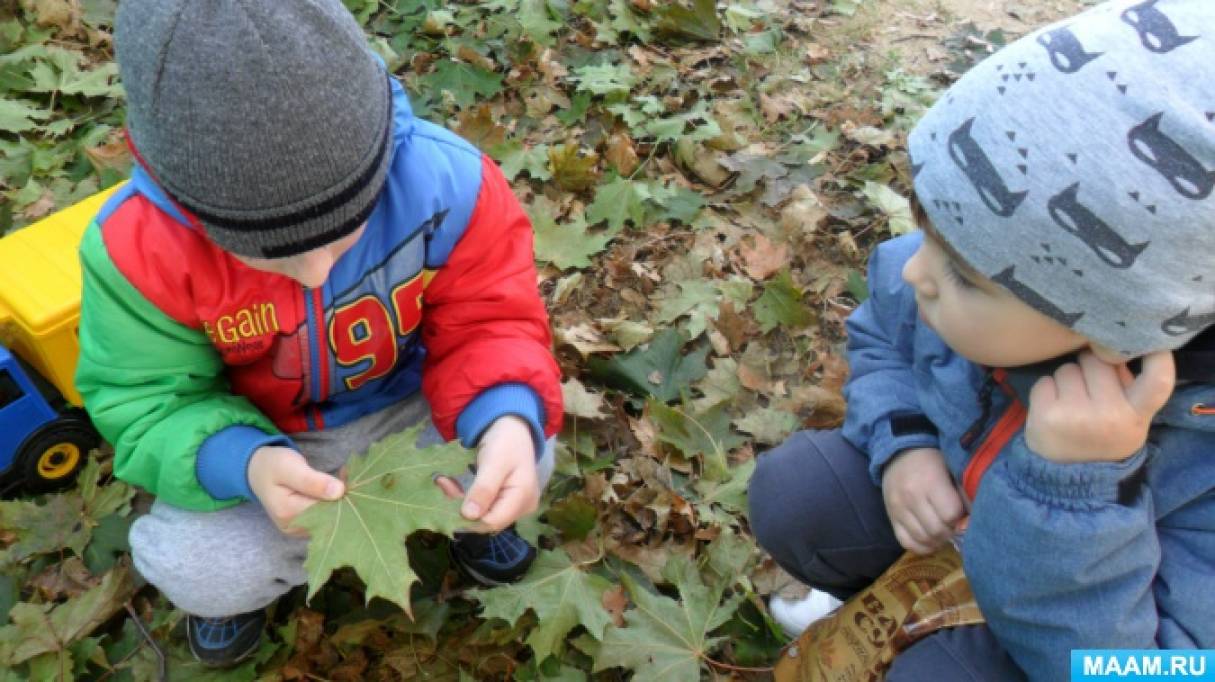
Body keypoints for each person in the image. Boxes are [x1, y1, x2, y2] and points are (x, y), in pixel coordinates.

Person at [74, 0, 563, 668]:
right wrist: (244, 463)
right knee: (200, 569)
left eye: (342, 237)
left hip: (415, 408)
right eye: (268, 257)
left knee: (527, 450)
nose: (311, 275)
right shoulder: (137, 253)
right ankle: (252, 583)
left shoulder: (448, 183)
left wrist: (502, 415)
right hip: (274, 448)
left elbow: (491, 320)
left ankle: (459, 517)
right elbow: (148, 401)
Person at [748, 1, 1215, 679]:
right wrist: (902, 441)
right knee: (799, 494)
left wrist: (1075, 495)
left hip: (1065, 628)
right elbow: (885, 328)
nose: (914, 271)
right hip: (956, 524)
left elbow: (1134, 669)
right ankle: (877, 607)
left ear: (1116, 327)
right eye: (930, 233)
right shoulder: (999, 277)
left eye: (959, 273)